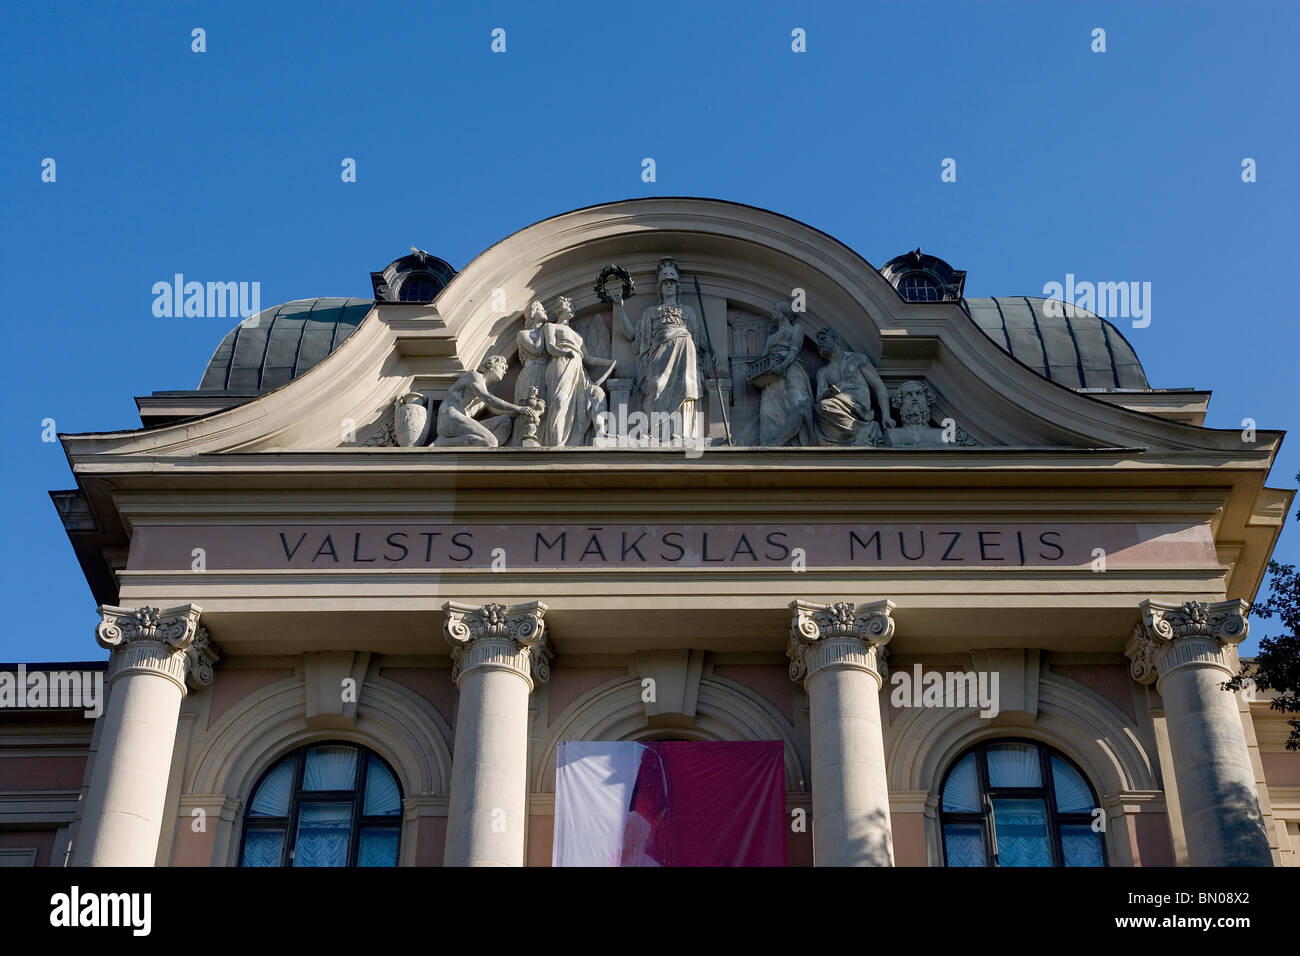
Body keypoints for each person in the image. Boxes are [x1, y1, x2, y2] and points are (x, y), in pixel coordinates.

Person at [619, 257, 708, 442]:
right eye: (665, 282)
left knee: (685, 387)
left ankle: (682, 433)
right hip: (659, 353)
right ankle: (657, 433)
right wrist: (618, 308)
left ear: (677, 286)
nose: (668, 285)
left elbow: (699, 340)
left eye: (672, 282)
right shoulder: (651, 312)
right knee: (656, 385)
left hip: (685, 350)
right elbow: (631, 335)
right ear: (660, 287)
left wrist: (712, 353)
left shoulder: (688, 312)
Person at [813, 327, 895, 446]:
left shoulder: (857, 359)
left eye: (824, 339)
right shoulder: (823, 372)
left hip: (860, 405)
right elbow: (819, 396)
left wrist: (886, 416)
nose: (821, 343)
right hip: (836, 405)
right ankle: (860, 432)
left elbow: (878, 385)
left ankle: (862, 429)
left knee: (827, 405)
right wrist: (827, 394)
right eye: (819, 341)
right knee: (823, 406)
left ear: (835, 339)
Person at [433, 355, 534, 447]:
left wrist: (519, 412)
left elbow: (495, 408)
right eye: (502, 367)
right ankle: (442, 442)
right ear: (492, 365)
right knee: (491, 442)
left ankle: (488, 452)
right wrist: (517, 408)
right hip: (449, 417)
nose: (504, 371)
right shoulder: (474, 376)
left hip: (462, 421)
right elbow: (488, 399)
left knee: (504, 421)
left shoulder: (485, 390)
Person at [754, 302, 815, 446]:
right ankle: (770, 444)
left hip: (792, 369)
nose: (773, 310)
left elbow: (795, 349)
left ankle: (802, 441)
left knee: (799, 404)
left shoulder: (796, 329)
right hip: (773, 375)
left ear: (783, 311)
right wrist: (764, 371)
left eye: (775, 308)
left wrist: (782, 366)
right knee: (767, 411)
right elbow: (763, 359)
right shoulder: (771, 338)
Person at [509, 300, 549, 446]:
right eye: (542, 309)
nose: (545, 312)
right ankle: (521, 443)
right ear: (533, 313)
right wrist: (544, 331)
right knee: (528, 407)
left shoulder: (546, 332)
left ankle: (539, 440)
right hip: (531, 372)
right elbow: (537, 350)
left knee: (542, 407)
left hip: (545, 373)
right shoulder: (523, 334)